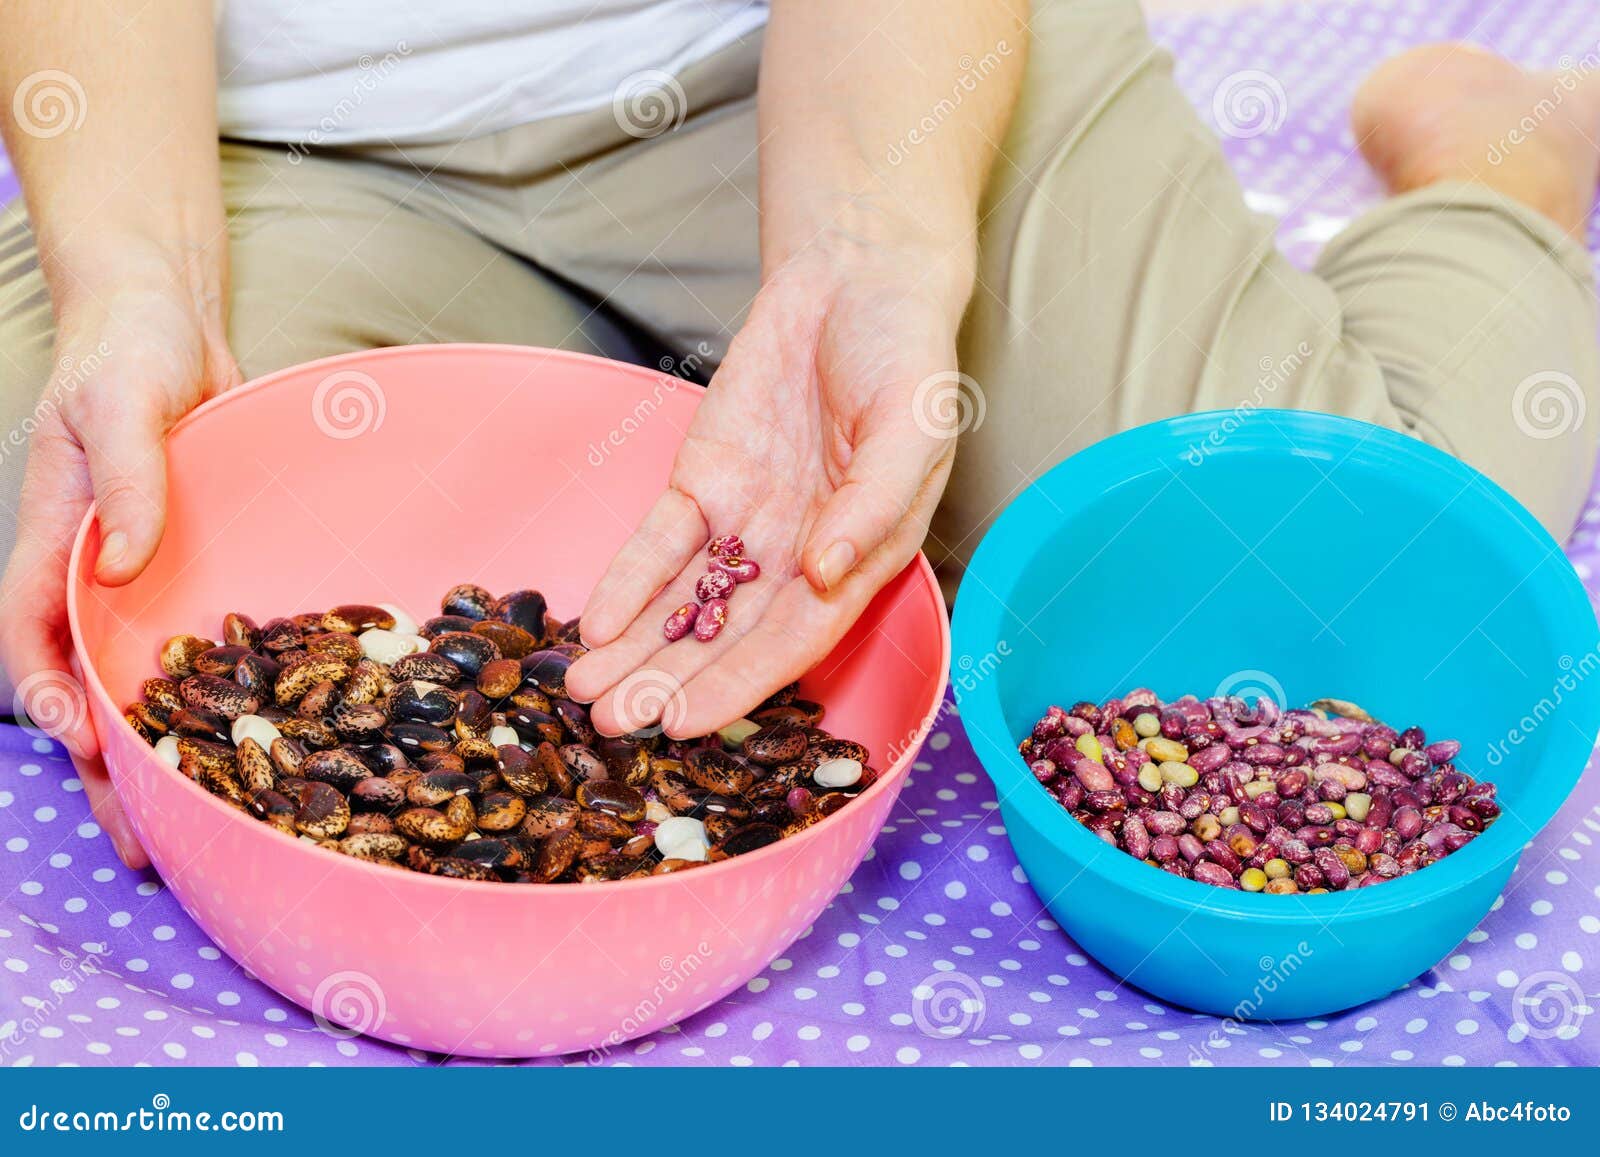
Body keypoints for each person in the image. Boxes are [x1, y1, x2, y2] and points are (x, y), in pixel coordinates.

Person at [1, 1, 1597, 868]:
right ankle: (635, 393)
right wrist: (130, 281)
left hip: (837, 71)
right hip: (274, 142)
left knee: (1346, 603)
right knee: (76, 575)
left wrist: (865, 255)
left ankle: (1489, 176)